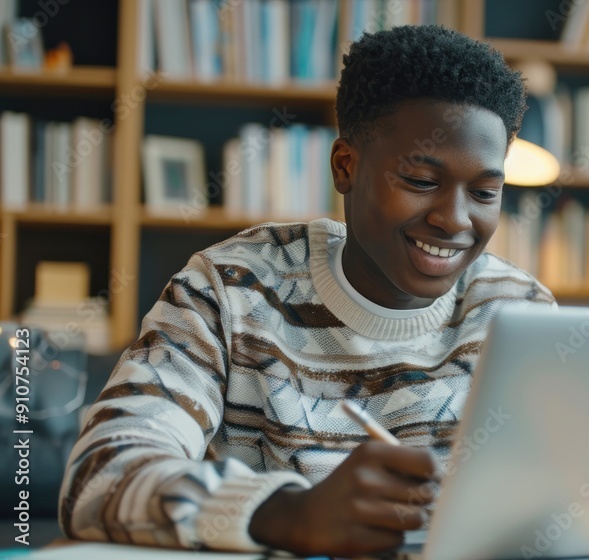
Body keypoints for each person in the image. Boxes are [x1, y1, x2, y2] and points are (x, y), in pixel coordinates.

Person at [59, 25, 555, 558]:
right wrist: (286, 513)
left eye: (483, 192)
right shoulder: (229, 290)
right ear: (346, 166)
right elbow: (98, 478)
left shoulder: (518, 312)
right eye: (420, 181)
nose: (455, 220)